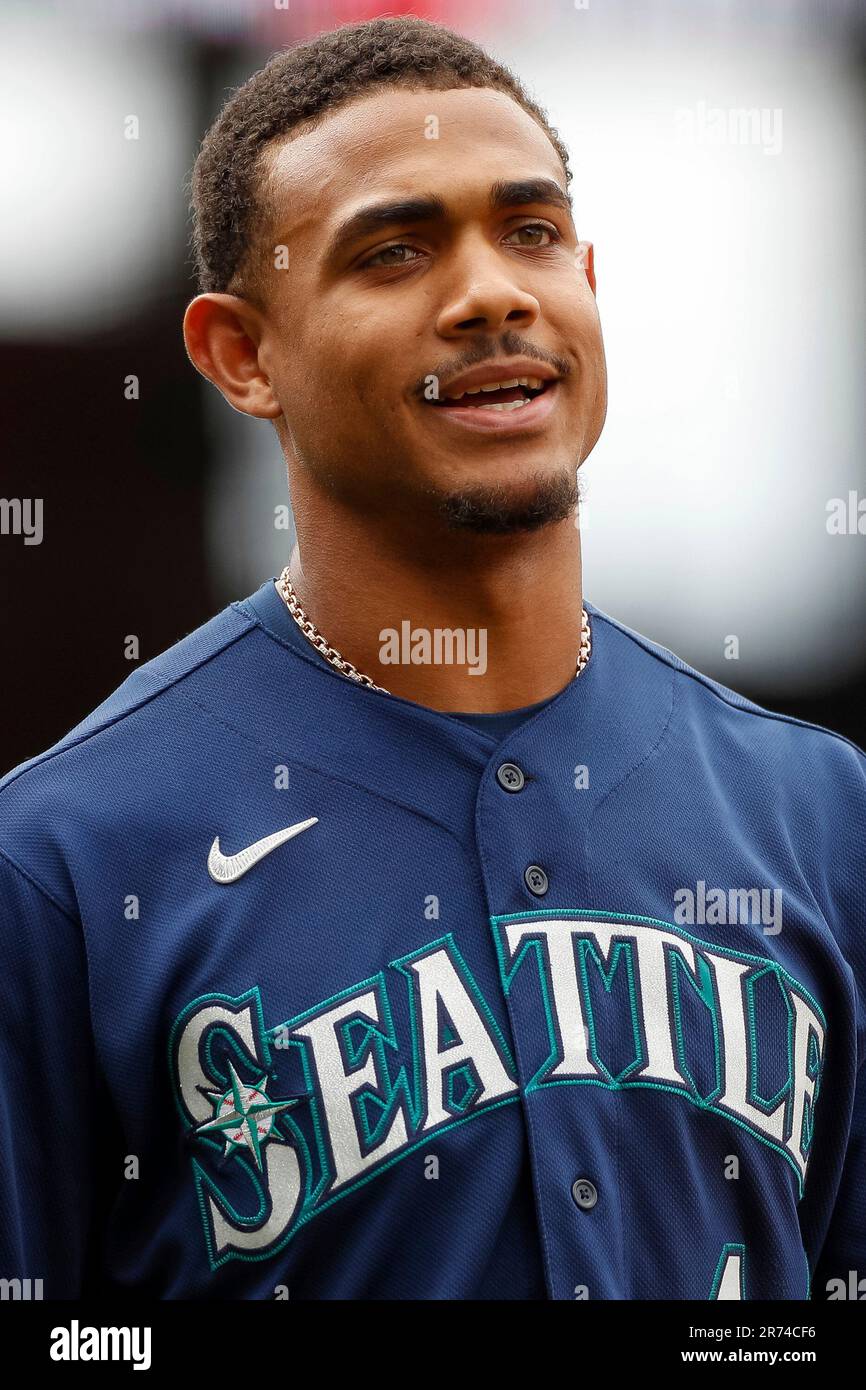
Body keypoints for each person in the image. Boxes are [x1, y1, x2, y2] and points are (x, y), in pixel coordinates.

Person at [0, 16, 863, 1301]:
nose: (491, 295)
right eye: (394, 252)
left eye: (528, 235)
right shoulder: (65, 856)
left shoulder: (819, 811)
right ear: (243, 356)